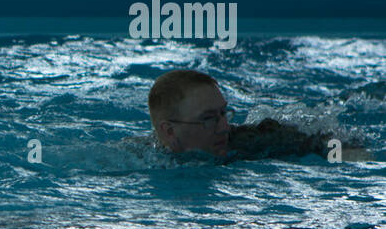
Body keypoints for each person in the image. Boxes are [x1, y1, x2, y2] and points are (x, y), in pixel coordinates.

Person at [148, 69, 368, 161]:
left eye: (224, 113)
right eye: (208, 118)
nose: (224, 127)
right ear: (169, 131)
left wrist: (352, 157)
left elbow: (326, 142)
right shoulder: (136, 160)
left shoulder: (249, 142)